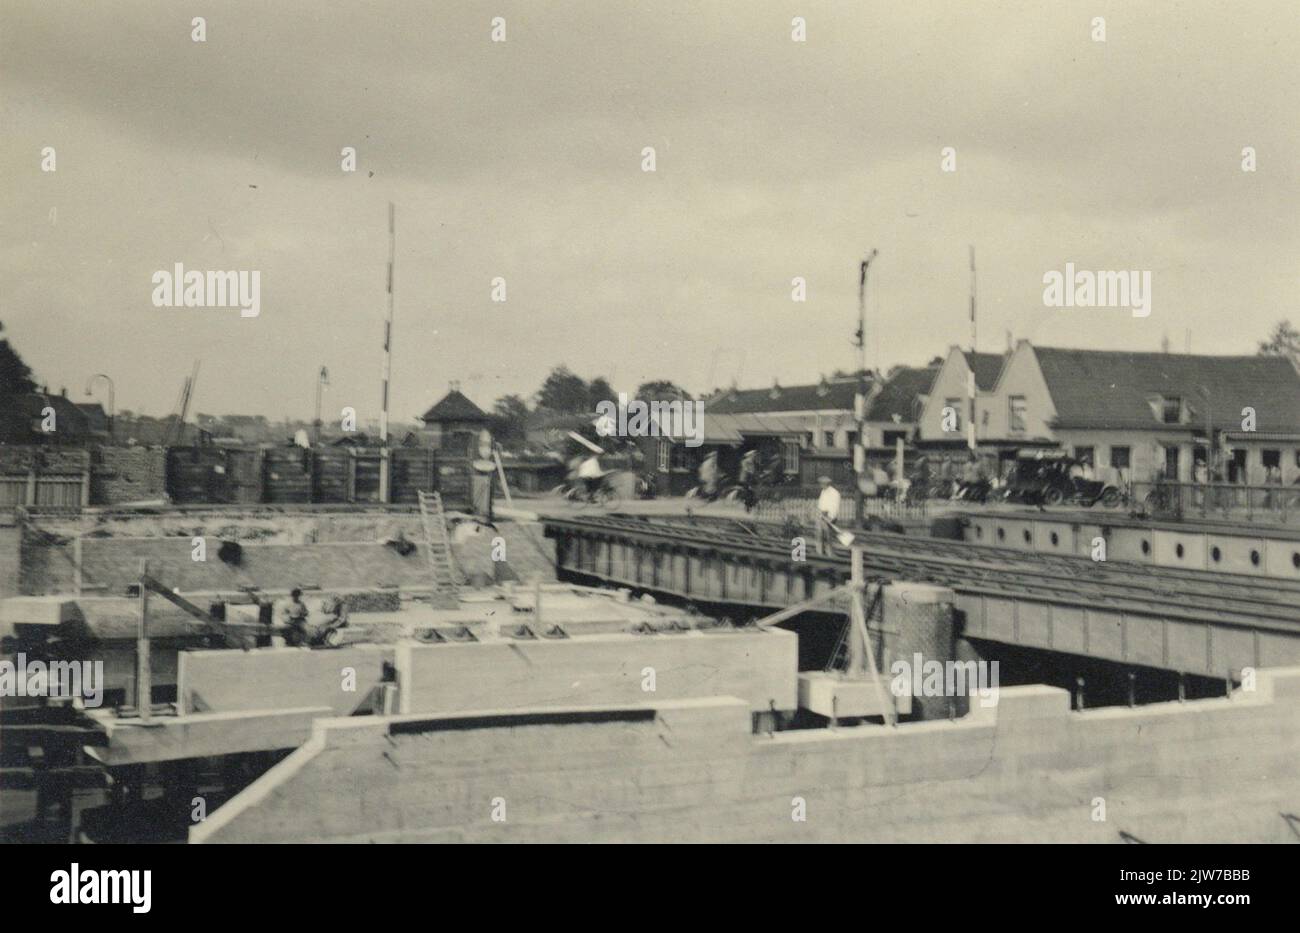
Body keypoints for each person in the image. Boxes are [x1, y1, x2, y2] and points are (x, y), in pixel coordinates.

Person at [815, 475, 841, 555]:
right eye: (820, 483)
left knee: (828, 536)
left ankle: (830, 553)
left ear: (827, 483)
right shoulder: (823, 491)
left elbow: (835, 506)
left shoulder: (834, 493)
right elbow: (821, 504)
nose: (821, 485)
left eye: (822, 483)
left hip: (829, 517)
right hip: (821, 516)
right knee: (819, 535)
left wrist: (831, 517)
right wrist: (819, 512)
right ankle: (819, 553)